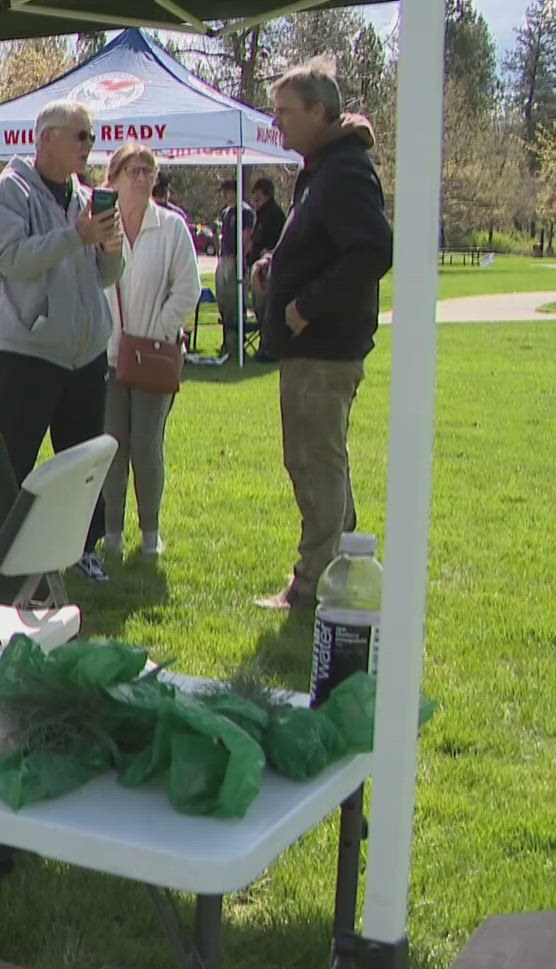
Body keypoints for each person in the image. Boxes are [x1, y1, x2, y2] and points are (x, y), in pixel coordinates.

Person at [251, 57, 392, 611]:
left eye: (286, 112)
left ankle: (312, 584)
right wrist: (274, 266)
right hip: (314, 348)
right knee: (316, 458)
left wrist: (305, 306)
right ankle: (341, 566)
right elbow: (325, 245)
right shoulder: (323, 170)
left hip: (324, 350)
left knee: (314, 461)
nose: (277, 122)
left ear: (320, 111)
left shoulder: (344, 172)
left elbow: (375, 249)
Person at [0, 99, 125, 582]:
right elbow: (13, 259)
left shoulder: (84, 197)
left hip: (84, 353)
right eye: (81, 135)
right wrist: (75, 235)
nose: (90, 146)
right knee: (13, 459)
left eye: (92, 136)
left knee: (83, 461)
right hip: (31, 352)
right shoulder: (10, 191)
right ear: (46, 138)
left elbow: (105, 276)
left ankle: (82, 550)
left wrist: (109, 248)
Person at [98, 145, 200, 564]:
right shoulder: (102, 226)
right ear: (114, 178)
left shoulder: (173, 228)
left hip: (153, 356)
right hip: (105, 356)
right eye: (132, 171)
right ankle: (112, 534)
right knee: (110, 448)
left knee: (146, 445)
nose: (141, 179)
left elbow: (188, 290)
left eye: (148, 171)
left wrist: (156, 334)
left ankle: (151, 532)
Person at [247, 176, 289, 362]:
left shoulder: (274, 214)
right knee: (259, 308)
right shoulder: (262, 214)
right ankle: (265, 344)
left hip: (267, 270)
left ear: (264, 192)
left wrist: (268, 253)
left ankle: (271, 348)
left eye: (257, 192)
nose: (254, 196)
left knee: (266, 309)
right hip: (256, 267)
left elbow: (281, 241)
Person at [213, 179, 256, 361]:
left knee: (234, 301)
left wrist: (242, 255)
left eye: (228, 192)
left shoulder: (245, 211)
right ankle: (227, 342)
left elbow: (247, 235)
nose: (225, 195)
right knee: (223, 301)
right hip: (223, 258)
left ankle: (236, 345)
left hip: (235, 259)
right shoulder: (226, 212)